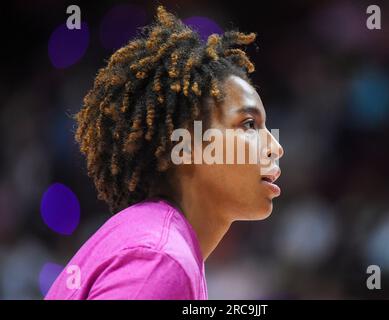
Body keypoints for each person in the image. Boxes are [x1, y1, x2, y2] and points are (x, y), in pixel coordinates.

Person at [45, 6, 283, 300]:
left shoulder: (154, 239)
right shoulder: (160, 257)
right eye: (249, 124)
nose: (275, 146)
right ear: (184, 146)